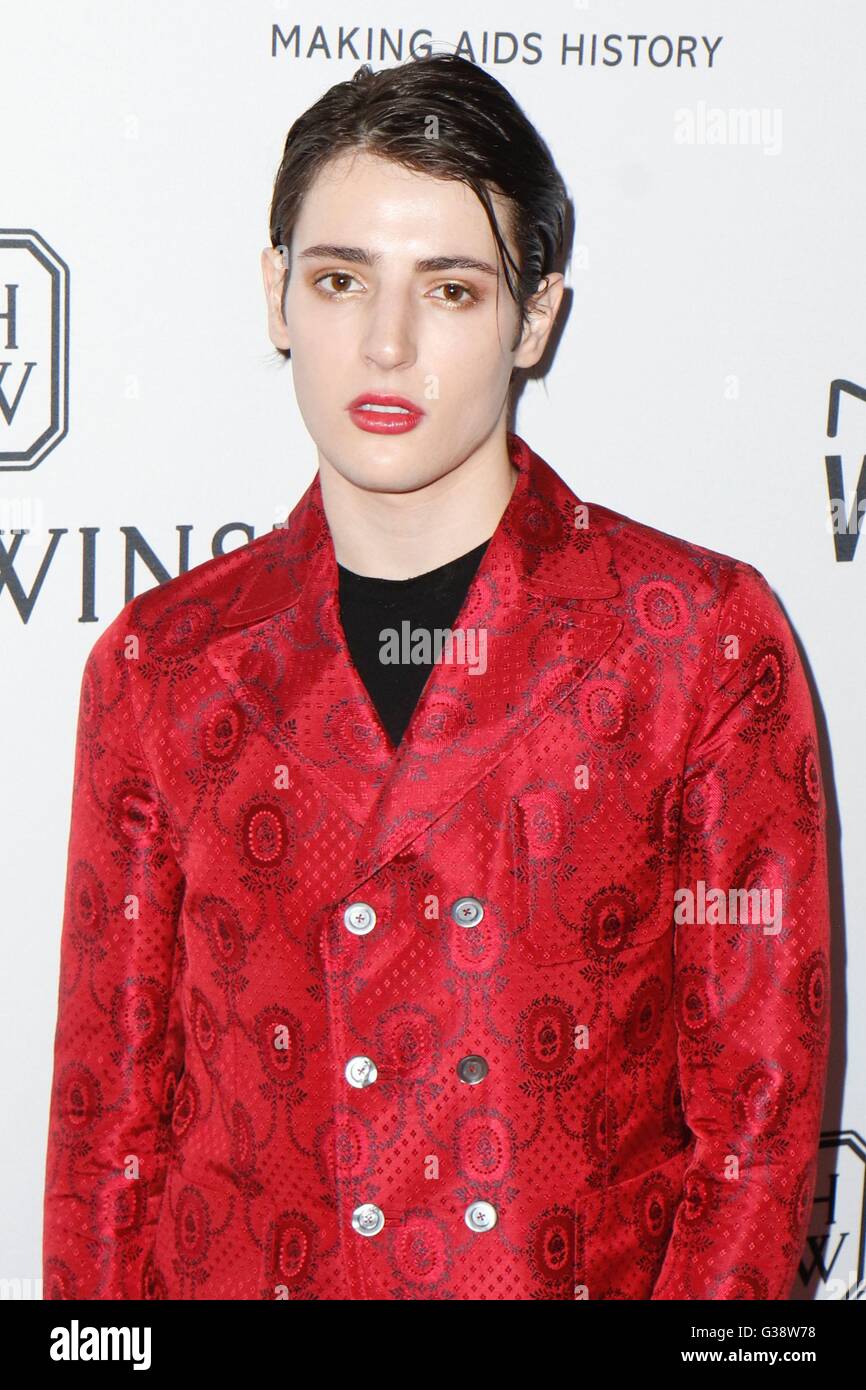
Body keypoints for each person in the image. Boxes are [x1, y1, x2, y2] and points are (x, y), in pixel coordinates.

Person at [42, 52, 830, 1301]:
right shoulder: (164, 665)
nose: (388, 342)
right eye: (342, 279)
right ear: (275, 296)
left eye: (451, 290)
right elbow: (109, 1135)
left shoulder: (694, 643)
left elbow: (758, 1122)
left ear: (534, 318)